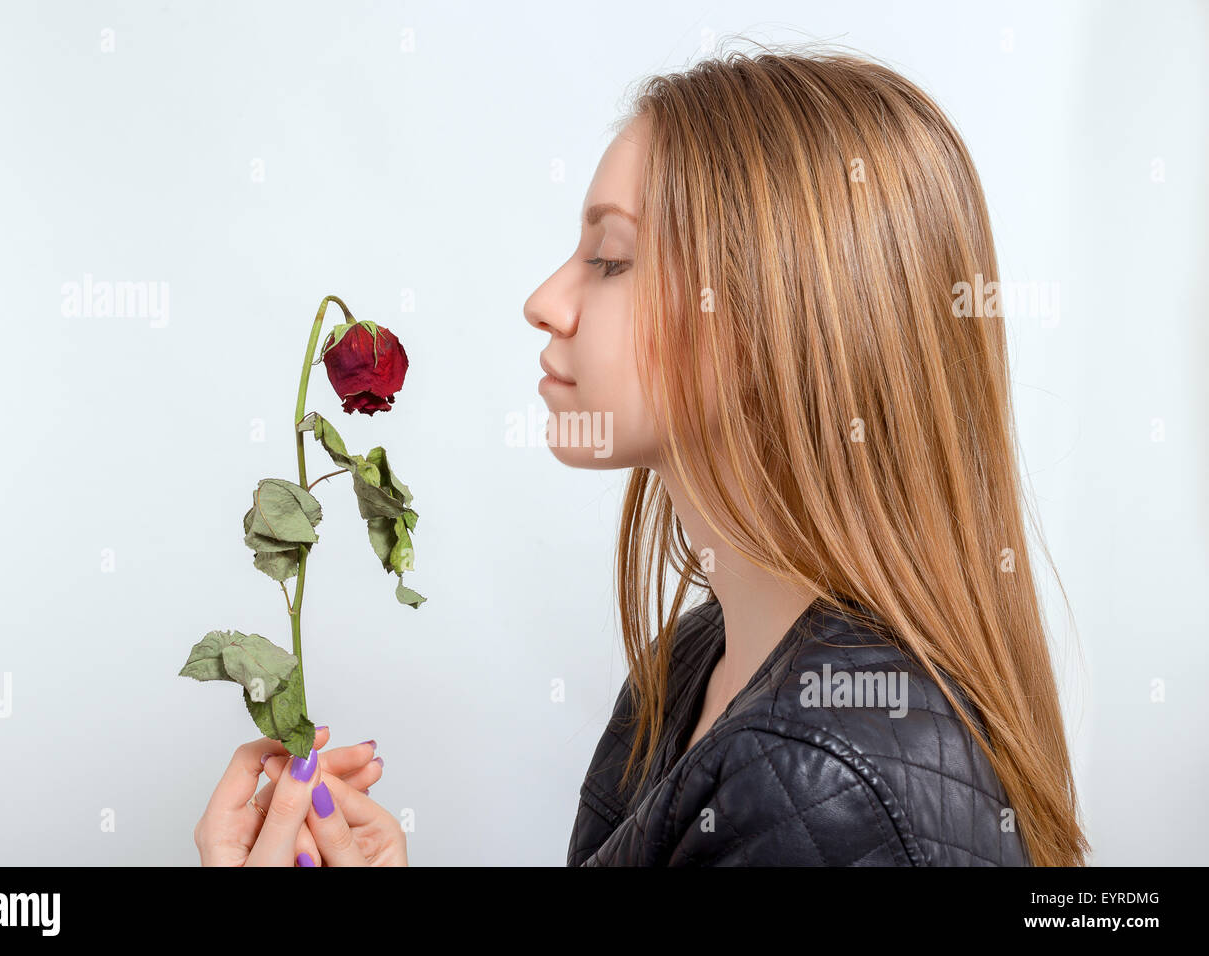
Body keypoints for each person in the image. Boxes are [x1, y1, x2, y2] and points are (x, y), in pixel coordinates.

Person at [193, 48, 1089, 867]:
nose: (546, 301)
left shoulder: (828, 784)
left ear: (769, 320)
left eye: (611, 260)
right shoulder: (699, 660)